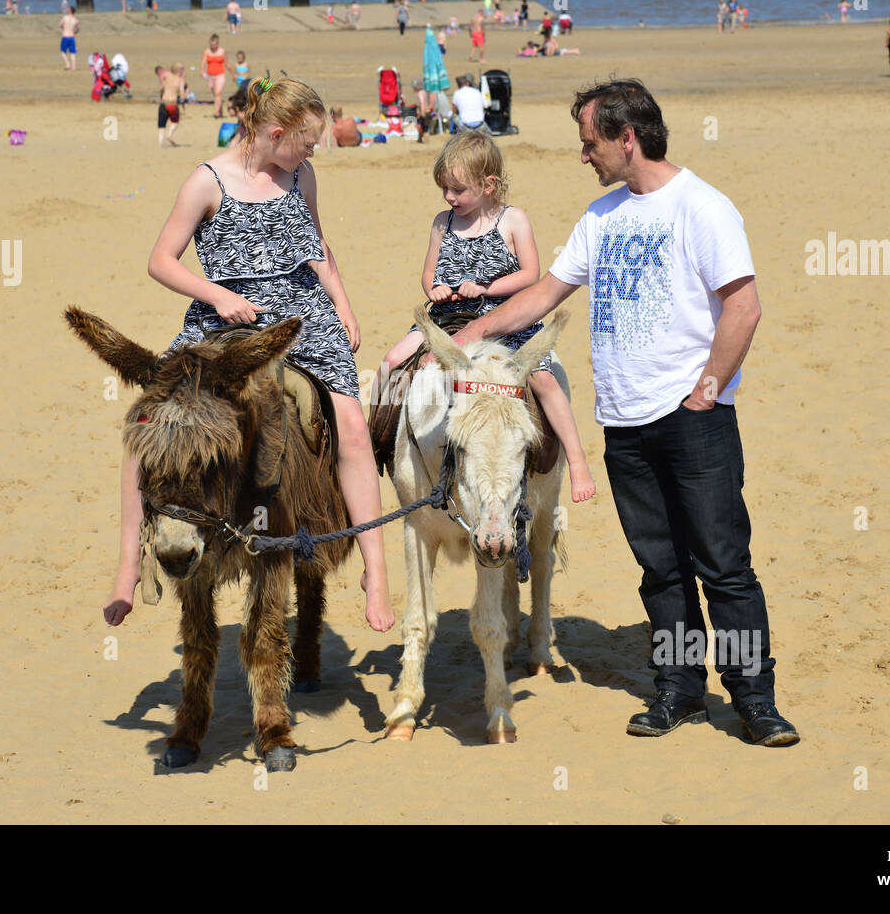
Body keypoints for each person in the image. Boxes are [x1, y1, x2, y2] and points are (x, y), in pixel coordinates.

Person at [451, 79, 799, 747]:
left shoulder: (702, 206)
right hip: (626, 425)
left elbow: (744, 305)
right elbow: (545, 294)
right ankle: (679, 689)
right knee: (660, 566)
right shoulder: (600, 216)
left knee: (723, 562)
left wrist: (709, 386)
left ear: (626, 137)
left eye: (590, 143)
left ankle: (756, 699)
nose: (585, 155)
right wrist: (473, 335)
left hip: (693, 419)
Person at [104, 77, 396, 635]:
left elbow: (318, 247)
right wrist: (216, 295)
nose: (315, 150)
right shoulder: (207, 180)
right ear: (275, 132)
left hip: (302, 318)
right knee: (151, 422)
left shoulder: (300, 174)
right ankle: (127, 565)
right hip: (221, 321)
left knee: (354, 427)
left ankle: (375, 571)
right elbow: (161, 260)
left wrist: (345, 307)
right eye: (307, 140)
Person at [378, 132, 596, 502]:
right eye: (445, 188)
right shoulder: (442, 222)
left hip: (503, 317)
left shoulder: (513, 220)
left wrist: (486, 287)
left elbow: (531, 274)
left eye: (458, 190)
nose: (450, 197)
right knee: (390, 363)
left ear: (488, 185)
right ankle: (379, 446)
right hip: (447, 316)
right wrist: (435, 290)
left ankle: (576, 462)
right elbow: (428, 274)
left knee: (543, 378)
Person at [155, 66, 183, 146]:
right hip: (172, 104)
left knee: (161, 126)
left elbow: (161, 89)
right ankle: (169, 135)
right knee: (175, 122)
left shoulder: (166, 78)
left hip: (163, 103)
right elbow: (182, 94)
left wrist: (162, 96)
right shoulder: (180, 80)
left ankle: (159, 144)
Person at [202, 34, 228, 117]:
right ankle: (220, 112)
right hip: (210, 76)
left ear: (217, 44)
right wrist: (202, 71)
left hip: (220, 75)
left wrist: (233, 73)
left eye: (214, 44)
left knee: (217, 93)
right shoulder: (207, 51)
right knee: (216, 95)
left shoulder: (222, 51)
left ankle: (216, 113)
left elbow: (227, 64)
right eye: (211, 45)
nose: (212, 46)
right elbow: (203, 62)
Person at [59, 5, 79, 70]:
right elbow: (77, 29)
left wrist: (64, 28)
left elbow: (60, 25)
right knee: (73, 52)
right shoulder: (75, 20)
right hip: (72, 37)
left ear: (70, 11)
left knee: (63, 52)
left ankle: (68, 64)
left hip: (65, 36)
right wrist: (74, 32)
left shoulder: (65, 17)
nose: (67, 10)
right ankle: (74, 67)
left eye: (68, 9)